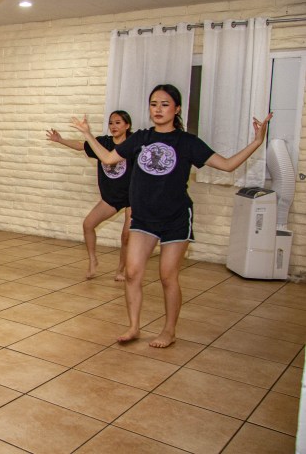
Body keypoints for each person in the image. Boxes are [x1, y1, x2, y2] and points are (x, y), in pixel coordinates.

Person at [71, 84, 272, 348]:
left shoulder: (187, 142)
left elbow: (227, 165)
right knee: (132, 273)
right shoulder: (140, 138)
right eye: (154, 104)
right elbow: (108, 158)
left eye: (165, 104)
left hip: (175, 218)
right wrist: (87, 133)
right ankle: (133, 327)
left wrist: (257, 141)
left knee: (167, 276)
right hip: (143, 218)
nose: (158, 109)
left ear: (176, 109)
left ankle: (169, 331)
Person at [47, 111, 133, 281]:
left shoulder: (133, 144)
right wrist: (60, 140)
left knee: (127, 236)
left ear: (127, 125)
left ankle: (120, 270)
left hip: (133, 197)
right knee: (88, 224)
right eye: (111, 123)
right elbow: (81, 146)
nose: (113, 126)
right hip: (112, 197)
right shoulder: (103, 142)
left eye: (118, 122)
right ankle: (93, 260)